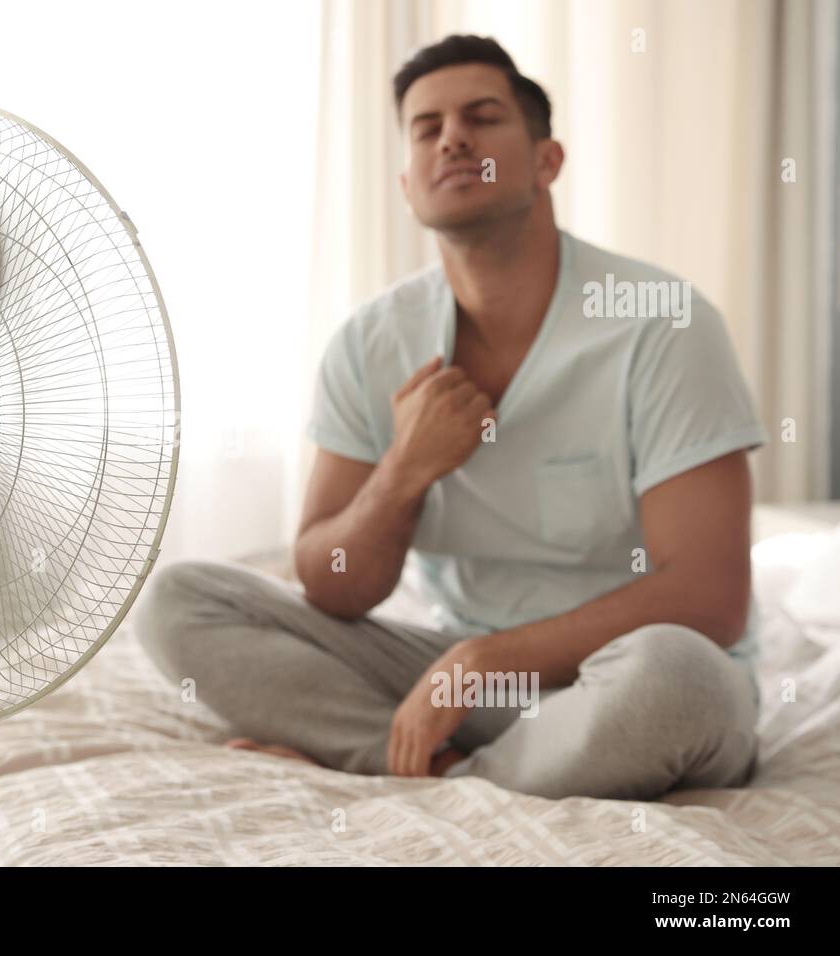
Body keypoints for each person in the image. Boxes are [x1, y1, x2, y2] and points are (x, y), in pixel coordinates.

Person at [135, 34, 765, 800]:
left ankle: (414, 771)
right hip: (454, 682)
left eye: (482, 117)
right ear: (408, 184)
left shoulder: (662, 323)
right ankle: (430, 761)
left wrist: (484, 661)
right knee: (180, 601)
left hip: (615, 677)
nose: (453, 138)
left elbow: (709, 597)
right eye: (427, 127)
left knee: (677, 675)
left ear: (547, 161)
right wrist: (403, 472)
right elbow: (334, 586)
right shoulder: (370, 342)